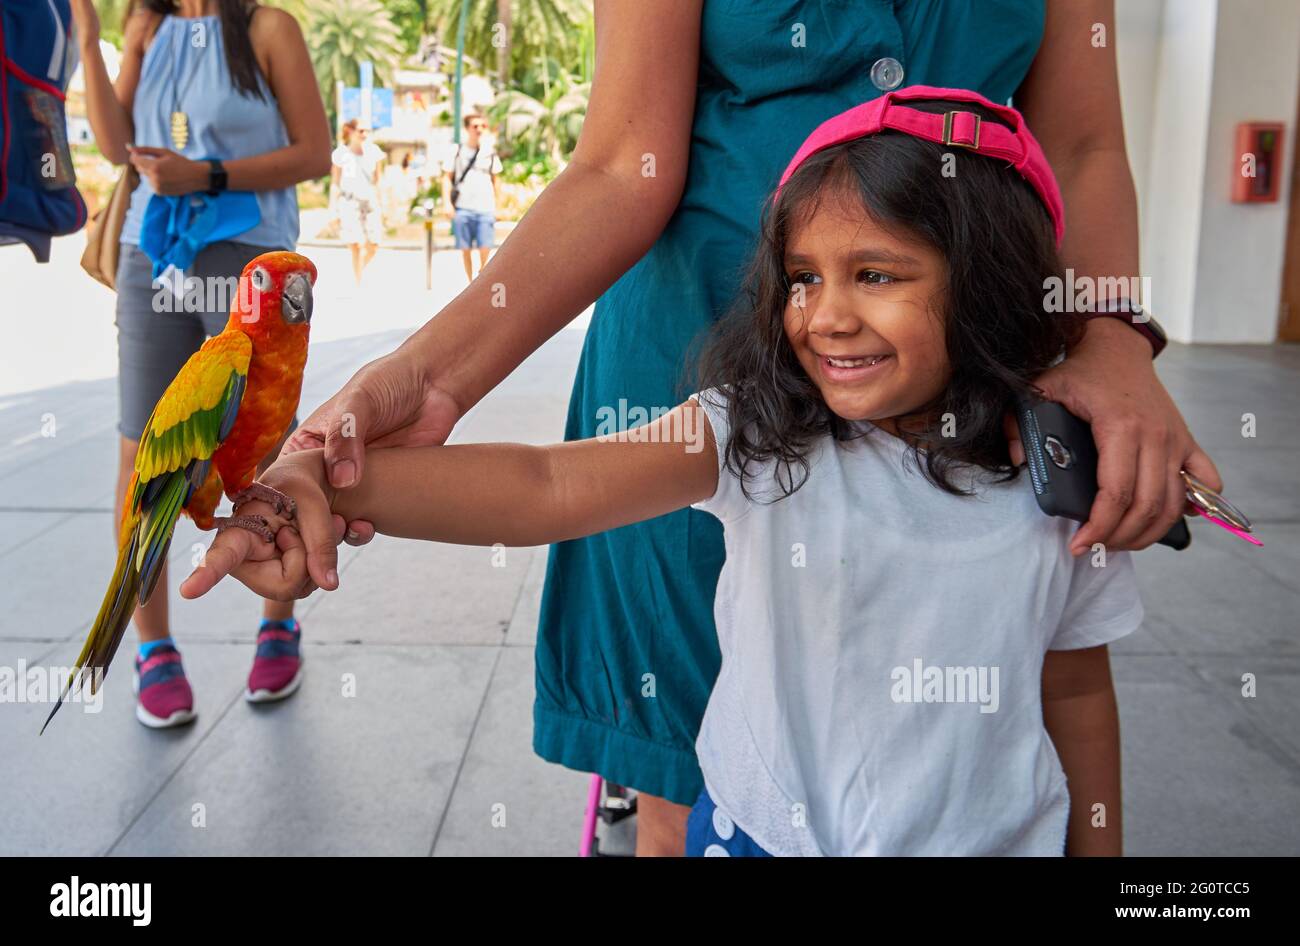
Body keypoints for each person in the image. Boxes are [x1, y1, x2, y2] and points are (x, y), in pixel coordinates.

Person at [274, 1, 1221, 855]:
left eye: (876, 276)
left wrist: (1108, 340)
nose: (828, 313)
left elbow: (1088, 143)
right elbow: (544, 481)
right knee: (680, 783)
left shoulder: (1038, 489)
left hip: (979, 379)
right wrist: (364, 442)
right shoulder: (736, 439)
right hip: (688, 350)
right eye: (802, 278)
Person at [71, 0, 330, 728]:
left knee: (271, 450)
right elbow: (116, 141)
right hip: (153, 254)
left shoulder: (267, 28)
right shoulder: (146, 28)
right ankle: (152, 648)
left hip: (251, 257)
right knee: (140, 452)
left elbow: (315, 153)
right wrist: (97, 42)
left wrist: (207, 175)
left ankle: (279, 620)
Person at [443, 114, 502, 282]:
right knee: (465, 248)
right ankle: (469, 282)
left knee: (486, 247)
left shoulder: (490, 153)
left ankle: (481, 278)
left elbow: (496, 180)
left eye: (483, 126)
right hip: (463, 207)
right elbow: (446, 178)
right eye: (475, 126)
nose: (479, 130)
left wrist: (498, 206)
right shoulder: (457, 151)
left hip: (486, 207)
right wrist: (447, 203)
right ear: (467, 128)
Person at [330, 119, 385, 284]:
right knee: (356, 245)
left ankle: (359, 272)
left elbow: (378, 181)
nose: (365, 135)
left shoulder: (374, 152)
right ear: (351, 131)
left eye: (367, 131)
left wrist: (383, 205)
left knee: (374, 244)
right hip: (349, 201)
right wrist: (332, 209)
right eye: (361, 131)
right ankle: (358, 283)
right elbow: (335, 182)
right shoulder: (341, 154)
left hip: (370, 202)